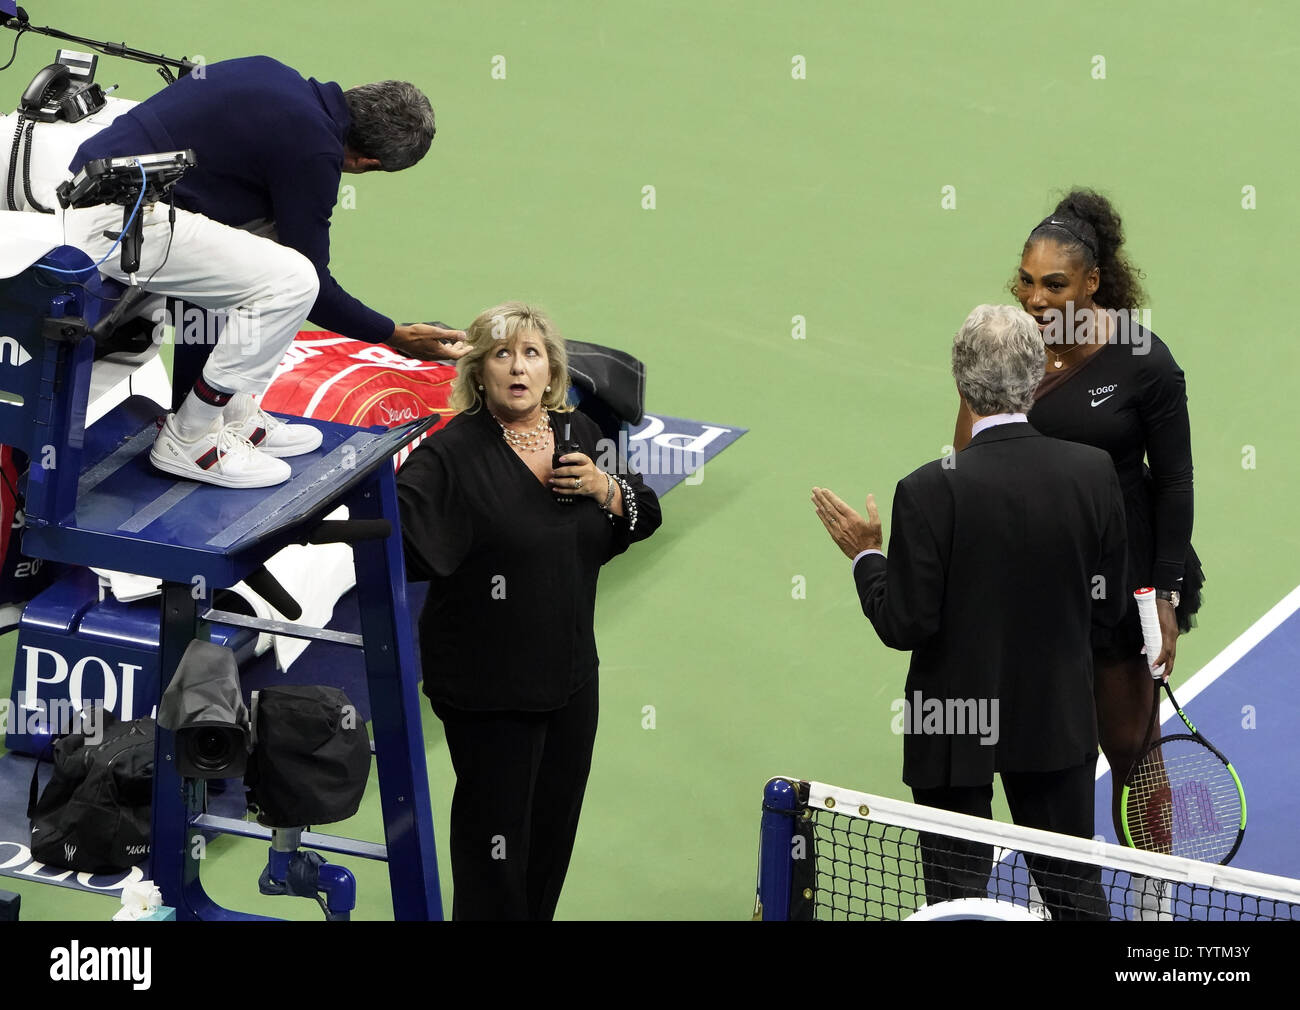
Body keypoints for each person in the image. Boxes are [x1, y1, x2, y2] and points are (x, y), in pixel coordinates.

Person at [813, 303, 1127, 920]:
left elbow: (904, 623)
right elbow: (1109, 607)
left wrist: (865, 557)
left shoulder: (928, 490)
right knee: (1076, 899)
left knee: (956, 906)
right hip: (1054, 718)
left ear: (961, 384)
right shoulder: (1093, 475)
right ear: (1036, 379)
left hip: (952, 725)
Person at [61, 55, 468, 488]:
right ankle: (190, 435)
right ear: (368, 163)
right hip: (117, 223)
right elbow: (316, 289)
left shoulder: (274, 73)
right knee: (293, 281)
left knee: (261, 248)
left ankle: (230, 412)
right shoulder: (314, 149)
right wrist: (392, 334)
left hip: (101, 196)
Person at [952, 189, 1204, 843]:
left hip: (1122, 577)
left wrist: (1165, 593)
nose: (1035, 299)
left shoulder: (1145, 363)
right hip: (1038, 577)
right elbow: (968, 458)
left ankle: (1155, 907)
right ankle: (1060, 893)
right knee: (1048, 756)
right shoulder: (1005, 349)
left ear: (1093, 282)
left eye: (1055, 284)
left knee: (1132, 748)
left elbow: (1174, 482)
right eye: (1028, 282)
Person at [395, 302, 661, 920]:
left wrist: (606, 488)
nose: (518, 368)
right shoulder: (450, 457)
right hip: (489, 693)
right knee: (495, 848)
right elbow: (401, 539)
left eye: (531, 354)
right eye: (501, 354)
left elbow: (645, 513)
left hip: (570, 680)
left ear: (552, 373)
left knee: (550, 834)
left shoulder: (581, 438)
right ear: (479, 374)